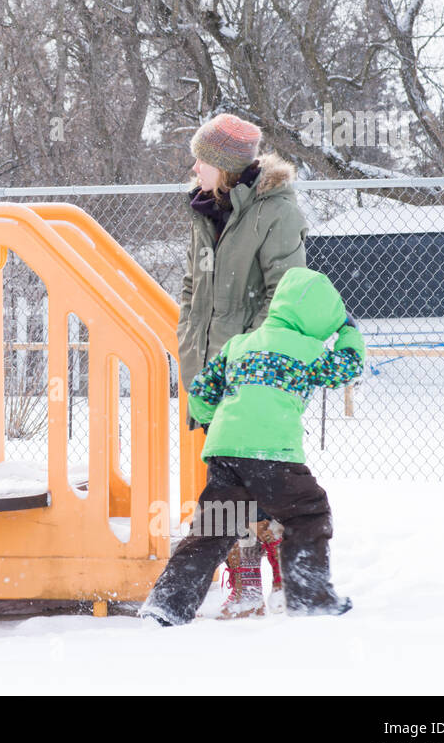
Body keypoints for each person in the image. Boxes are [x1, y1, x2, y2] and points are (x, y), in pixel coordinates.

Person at [140, 267, 364, 626]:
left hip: (225, 451)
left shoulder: (240, 344)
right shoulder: (309, 350)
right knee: (307, 512)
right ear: (318, 319)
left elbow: (200, 393)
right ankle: (309, 596)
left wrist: (219, 418)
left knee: (213, 530)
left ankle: (167, 605)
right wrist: (348, 331)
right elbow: (348, 368)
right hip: (273, 454)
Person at [177, 112, 307, 617]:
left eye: (202, 160)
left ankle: (276, 581)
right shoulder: (204, 209)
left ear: (227, 167)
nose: (194, 167)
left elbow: (285, 293)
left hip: (252, 373)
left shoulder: (275, 213)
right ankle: (251, 584)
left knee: (255, 479)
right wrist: (190, 339)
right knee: (226, 480)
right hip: (209, 369)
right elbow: (193, 284)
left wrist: (248, 353)